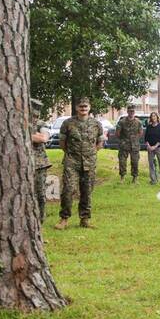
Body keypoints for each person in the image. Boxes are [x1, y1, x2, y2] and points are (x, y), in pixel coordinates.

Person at [55, 98, 103, 229]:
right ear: (76, 108)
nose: (83, 108)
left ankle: (85, 219)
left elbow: (100, 142)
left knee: (87, 191)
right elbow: (62, 143)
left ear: (89, 107)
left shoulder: (96, 124)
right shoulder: (67, 123)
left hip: (89, 162)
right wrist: (70, 154)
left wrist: (92, 153)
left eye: (85, 106)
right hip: (72, 161)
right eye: (80, 106)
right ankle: (64, 219)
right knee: (68, 190)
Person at [28, 98, 52, 222]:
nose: (36, 117)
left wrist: (25, 135)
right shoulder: (17, 122)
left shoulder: (41, 124)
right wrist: (33, 136)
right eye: (33, 114)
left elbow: (43, 138)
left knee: (40, 194)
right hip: (23, 164)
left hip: (40, 164)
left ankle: (40, 219)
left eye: (37, 114)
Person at [116, 104, 144, 182]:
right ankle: (122, 177)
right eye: (130, 111)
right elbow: (117, 133)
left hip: (134, 145)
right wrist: (123, 140)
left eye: (133, 111)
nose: (131, 112)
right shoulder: (122, 122)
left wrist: (134, 139)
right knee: (122, 162)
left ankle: (135, 178)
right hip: (124, 145)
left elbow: (140, 133)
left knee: (135, 162)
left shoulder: (138, 122)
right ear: (127, 111)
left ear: (134, 112)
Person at [145, 112, 160, 186]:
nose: (153, 117)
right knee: (151, 164)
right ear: (150, 118)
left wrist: (154, 147)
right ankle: (153, 180)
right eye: (152, 116)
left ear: (157, 117)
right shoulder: (149, 127)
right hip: (150, 148)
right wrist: (149, 146)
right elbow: (146, 138)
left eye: (154, 116)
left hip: (159, 147)